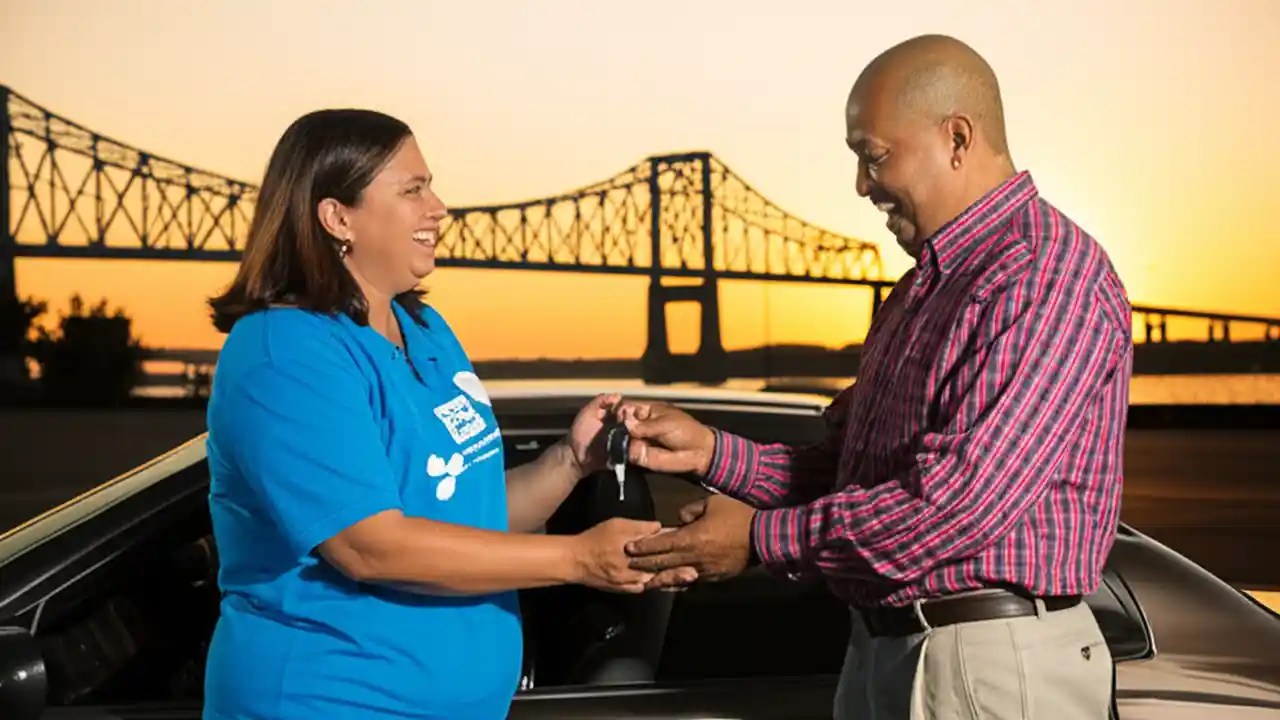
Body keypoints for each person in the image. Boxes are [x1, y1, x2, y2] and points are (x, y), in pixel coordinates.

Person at [618, 34, 1131, 720]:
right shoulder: (925, 289)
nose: (862, 184)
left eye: (874, 156)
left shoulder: (1043, 277)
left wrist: (756, 540)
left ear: (956, 138)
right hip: (894, 651)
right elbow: (858, 479)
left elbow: (956, 504)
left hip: (990, 663)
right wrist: (715, 454)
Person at [201, 108, 688, 720]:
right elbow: (370, 547)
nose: (439, 208)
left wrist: (568, 462)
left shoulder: (424, 328)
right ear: (337, 217)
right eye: (413, 190)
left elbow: (465, 511)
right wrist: (578, 558)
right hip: (330, 701)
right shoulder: (285, 351)